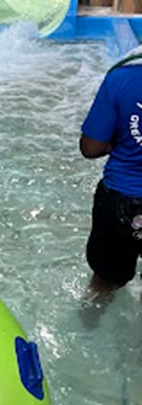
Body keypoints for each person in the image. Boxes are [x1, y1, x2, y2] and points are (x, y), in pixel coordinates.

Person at [80, 52, 142, 291]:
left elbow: (91, 147)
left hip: (120, 200)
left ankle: (89, 326)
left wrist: (120, 141)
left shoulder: (121, 78)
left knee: (103, 284)